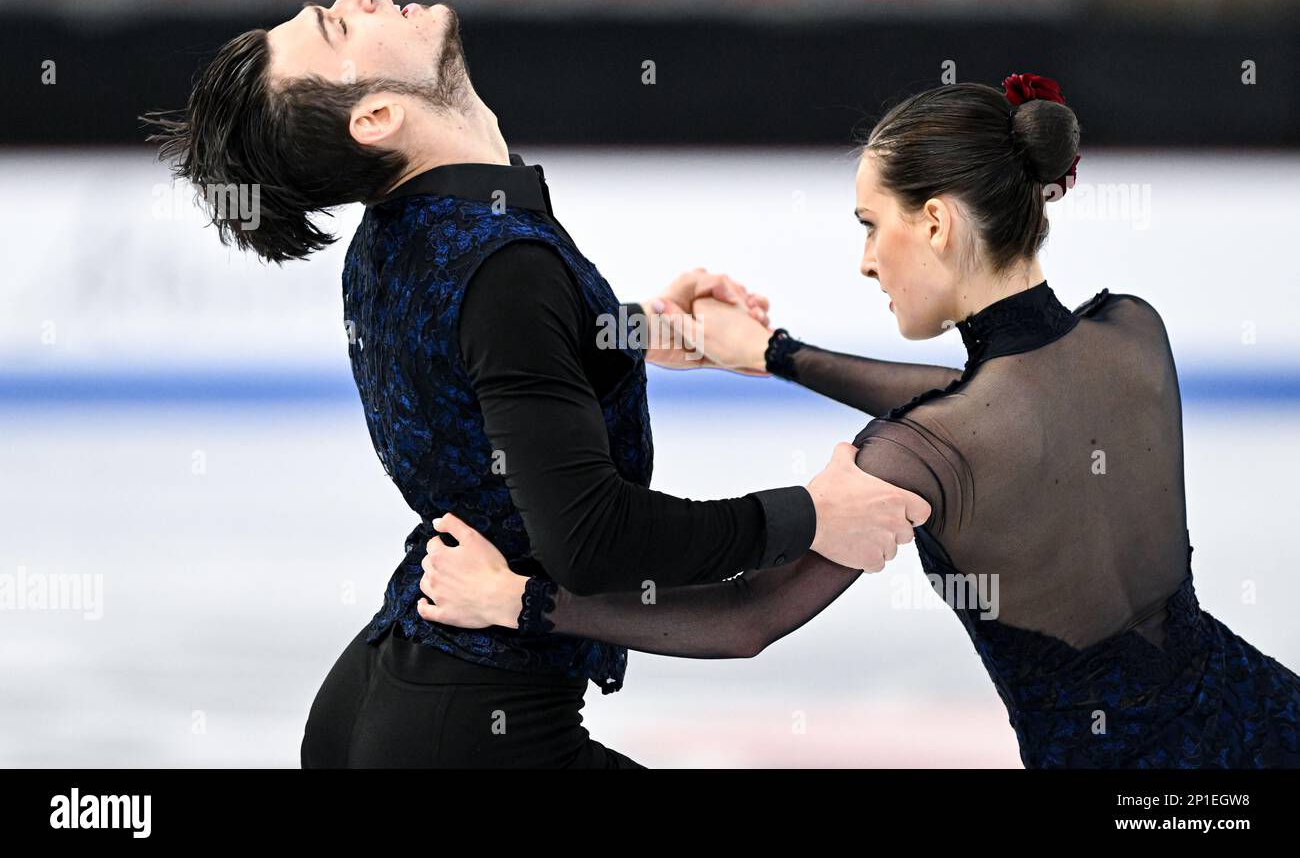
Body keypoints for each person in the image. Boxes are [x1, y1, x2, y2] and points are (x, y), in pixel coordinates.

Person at [141, 0, 928, 768]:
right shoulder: (502, 261)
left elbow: (468, 368)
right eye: (340, 24)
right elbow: (593, 540)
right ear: (377, 118)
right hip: (472, 730)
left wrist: (625, 330)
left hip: (392, 699)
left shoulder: (396, 236)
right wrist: (809, 515)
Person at [417, 74, 1300, 768]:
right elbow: (1007, 402)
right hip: (1267, 719)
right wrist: (773, 354)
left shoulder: (923, 452)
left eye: (873, 226)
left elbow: (747, 619)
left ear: (938, 223)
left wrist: (523, 602)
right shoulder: (1134, 331)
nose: (866, 261)